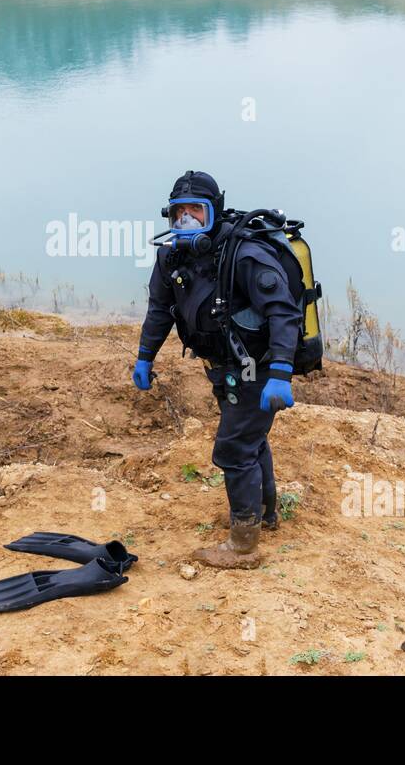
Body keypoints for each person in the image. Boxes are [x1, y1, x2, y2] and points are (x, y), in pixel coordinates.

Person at [132, 170, 303, 569]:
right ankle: (265, 514)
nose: (187, 220)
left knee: (233, 449)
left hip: (255, 369)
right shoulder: (170, 256)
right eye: (179, 212)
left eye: (197, 211)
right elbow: (160, 309)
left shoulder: (244, 255)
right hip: (223, 369)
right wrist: (145, 355)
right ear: (169, 215)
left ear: (215, 213)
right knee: (250, 441)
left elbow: (283, 311)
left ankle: (243, 547)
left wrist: (280, 371)